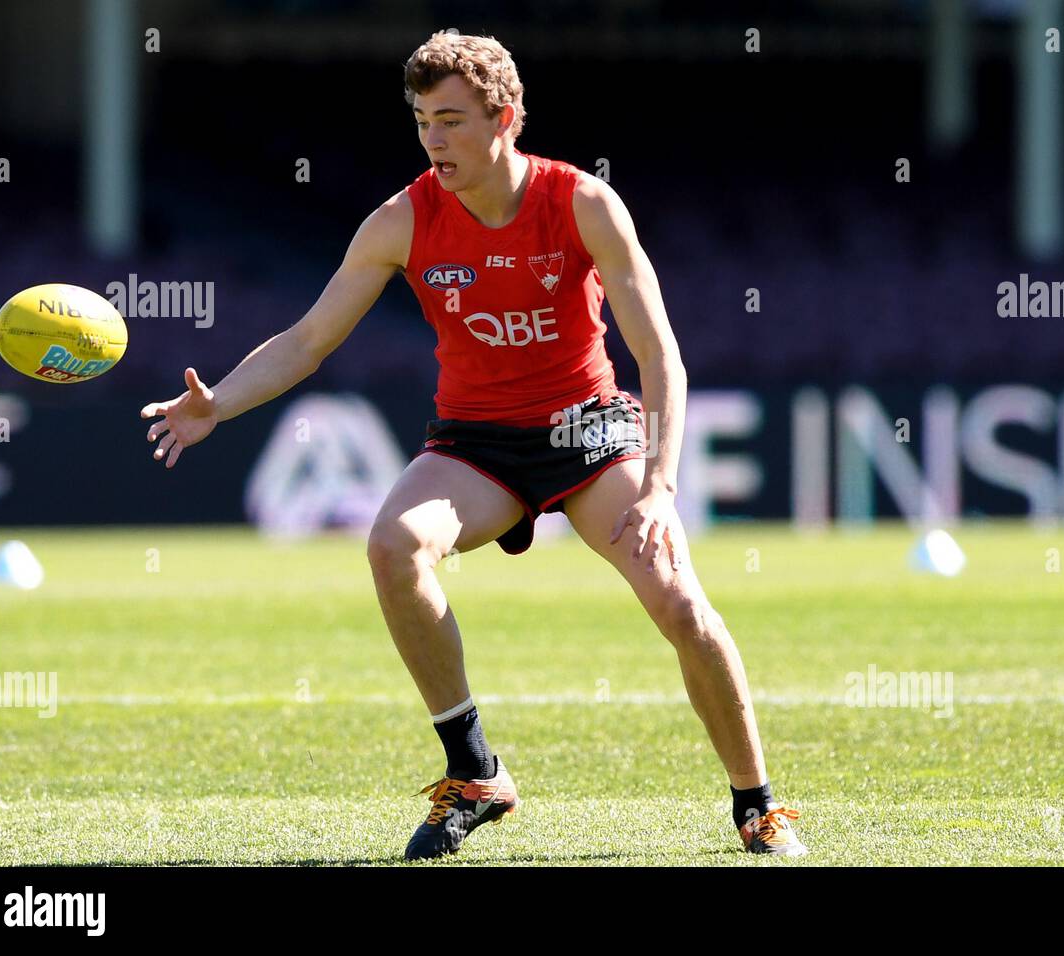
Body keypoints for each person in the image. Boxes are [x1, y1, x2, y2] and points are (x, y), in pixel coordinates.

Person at [140, 31, 806, 860]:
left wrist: (662, 486)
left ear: (508, 118)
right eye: (422, 120)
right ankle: (475, 771)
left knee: (680, 605)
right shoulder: (402, 219)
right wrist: (220, 405)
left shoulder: (583, 203)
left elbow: (659, 353)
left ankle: (759, 807)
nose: (433, 139)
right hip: (477, 442)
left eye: (451, 120)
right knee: (393, 546)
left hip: (589, 429)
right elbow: (308, 340)